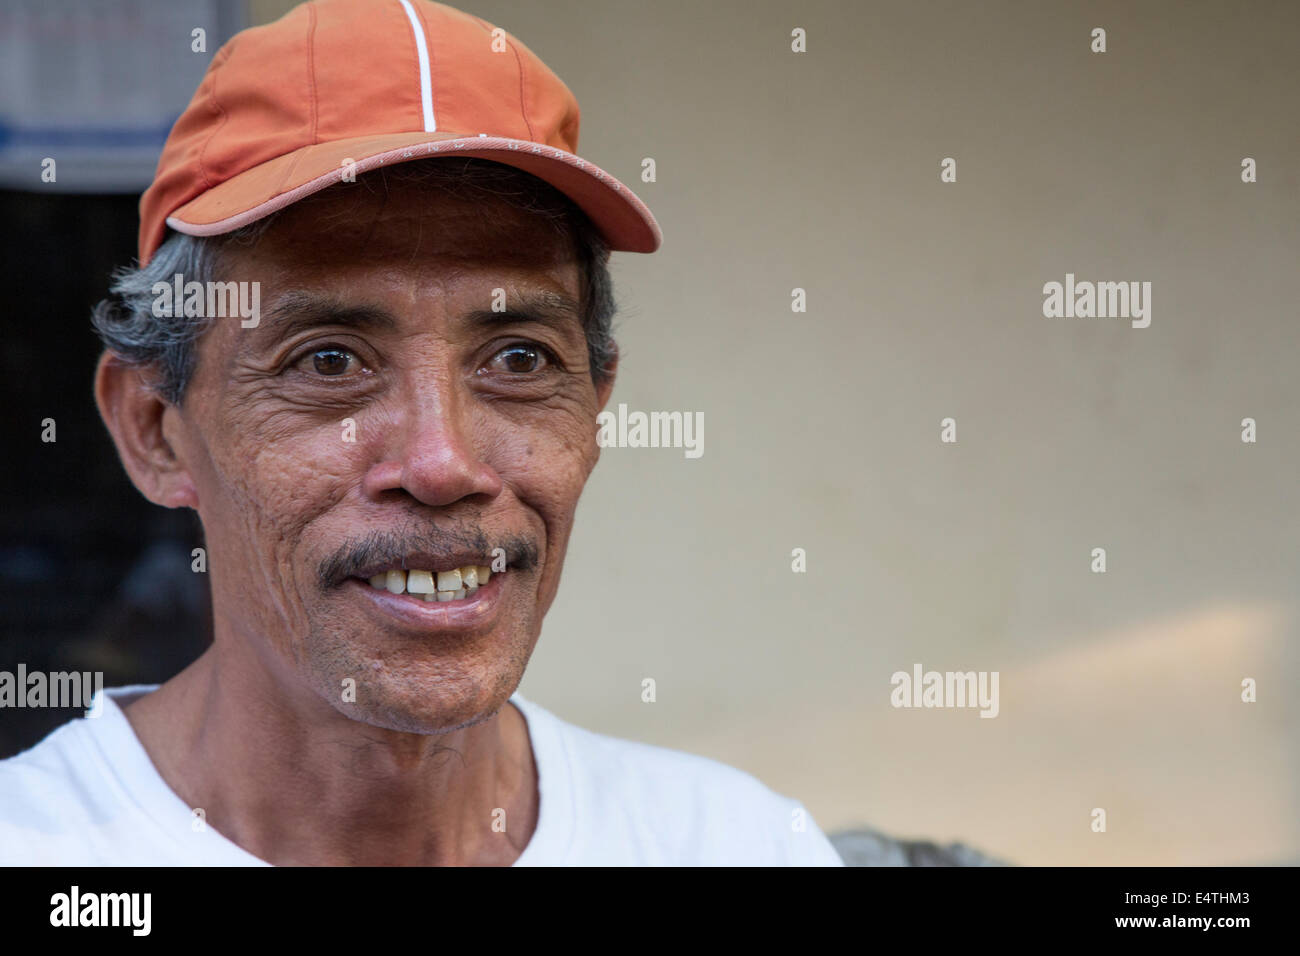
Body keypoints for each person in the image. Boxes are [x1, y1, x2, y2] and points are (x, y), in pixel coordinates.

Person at [0, 0, 842, 866]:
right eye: (328, 362)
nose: (443, 464)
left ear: (595, 406)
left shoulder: (733, 844)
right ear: (154, 430)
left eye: (518, 358)